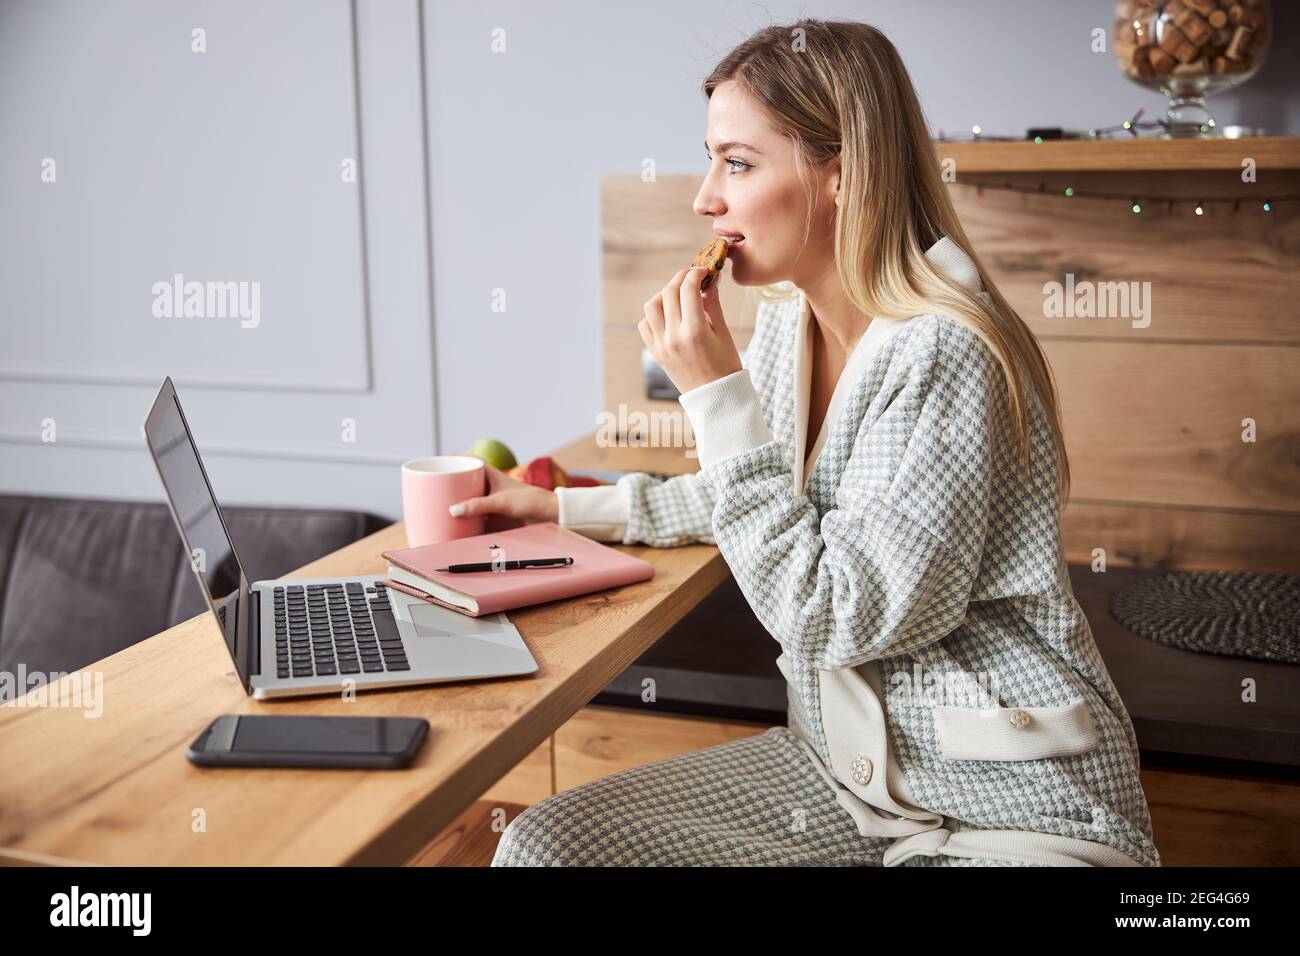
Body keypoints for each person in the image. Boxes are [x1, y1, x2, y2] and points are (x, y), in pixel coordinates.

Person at [452, 18, 1160, 867]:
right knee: (549, 844)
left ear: (842, 174)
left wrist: (717, 395)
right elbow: (761, 498)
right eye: (711, 157)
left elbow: (838, 616)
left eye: (738, 163)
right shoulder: (792, 320)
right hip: (845, 784)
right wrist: (566, 507)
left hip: (1011, 807)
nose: (704, 196)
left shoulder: (946, 350)